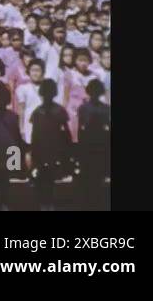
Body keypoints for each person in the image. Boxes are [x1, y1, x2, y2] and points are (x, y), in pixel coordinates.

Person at [29, 79, 71, 211]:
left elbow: (66, 135)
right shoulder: (38, 112)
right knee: (43, 183)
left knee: (50, 184)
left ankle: (49, 206)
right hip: (42, 152)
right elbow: (34, 136)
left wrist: (66, 153)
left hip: (55, 152)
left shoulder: (59, 111)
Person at [0, 84, 23, 211]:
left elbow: (16, 135)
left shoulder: (13, 116)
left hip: (7, 150)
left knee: (4, 179)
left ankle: (2, 203)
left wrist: (18, 154)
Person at [78, 79, 110, 209]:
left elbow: (81, 130)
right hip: (100, 147)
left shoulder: (83, 108)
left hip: (89, 147)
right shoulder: (106, 108)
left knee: (89, 181)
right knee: (99, 182)